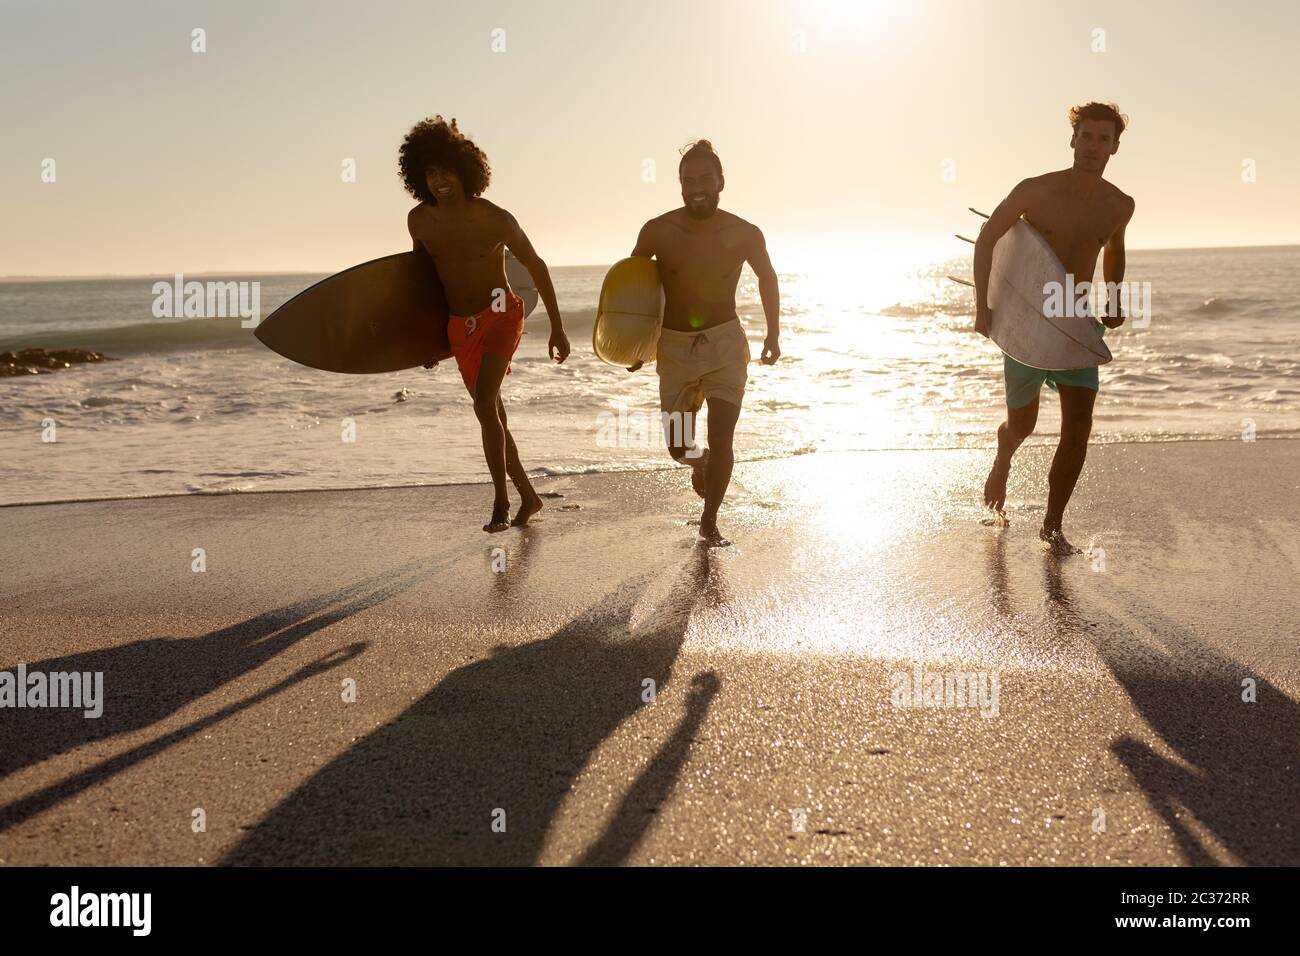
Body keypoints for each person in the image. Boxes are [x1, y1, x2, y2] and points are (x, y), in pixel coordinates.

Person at [973, 102, 1135, 555]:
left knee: (1078, 427)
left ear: (1115, 147)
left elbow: (1113, 253)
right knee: (1022, 425)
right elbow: (989, 237)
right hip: (1026, 322)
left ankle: (1052, 523)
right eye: (1086, 136)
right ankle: (1004, 457)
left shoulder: (1120, 205)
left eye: (1104, 139)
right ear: (1073, 139)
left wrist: (1115, 299)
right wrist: (982, 306)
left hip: (1078, 324)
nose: (1093, 146)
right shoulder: (1034, 191)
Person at [400, 116, 571, 532]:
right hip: (461, 326)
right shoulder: (419, 221)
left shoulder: (494, 218)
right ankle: (530, 498)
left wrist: (557, 327)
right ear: (421, 178)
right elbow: (425, 283)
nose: (441, 180)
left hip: (500, 314)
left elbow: (537, 266)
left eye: (448, 170)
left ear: (466, 171)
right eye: (431, 172)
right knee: (492, 413)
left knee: (483, 403)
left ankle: (500, 498)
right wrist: (427, 341)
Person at [629, 140, 781, 547]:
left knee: (723, 436)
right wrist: (633, 346)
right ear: (680, 184)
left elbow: (767, 277)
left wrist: (773, 334)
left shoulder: (744, 233)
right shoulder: (657, 231)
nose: (696, 187)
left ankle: (709, 520)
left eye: (705, 179)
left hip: (724, 345)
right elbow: (632, 291)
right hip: (674, 348)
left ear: (720, 183)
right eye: (688, 180)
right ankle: (702, 463)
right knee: (678, 445)